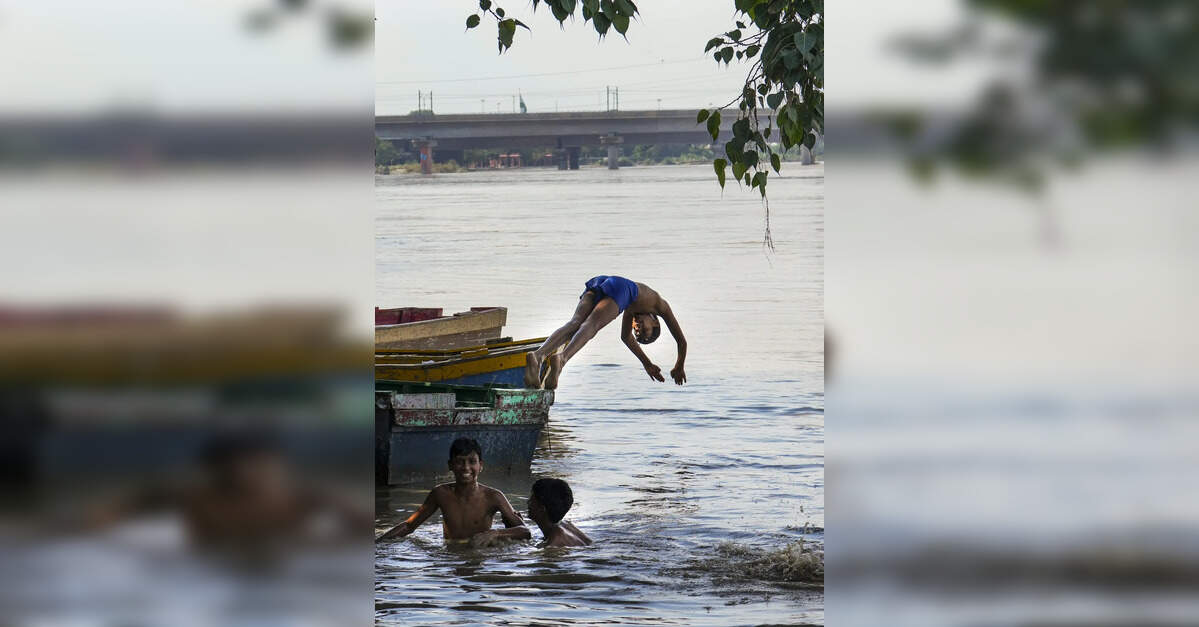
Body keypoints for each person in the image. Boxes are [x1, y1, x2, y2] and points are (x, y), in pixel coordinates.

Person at [524, 275, 687, 389]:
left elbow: (626, 337)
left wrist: (647, 364)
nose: (637, 327)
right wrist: (679, 365)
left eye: (638, 331)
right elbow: (681, 341)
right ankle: (562, 359)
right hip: (623, 287)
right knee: (592, 325)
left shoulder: (632, 309)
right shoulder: (661, 307)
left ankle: (538, 355)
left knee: (575, 323)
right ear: (655, 321)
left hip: (602, 281)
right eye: (644, 329)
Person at [375, 438, 530, 546]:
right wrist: (378, 543)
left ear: (481, 465)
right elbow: (409, 526)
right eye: (460, 462)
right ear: (450, 465)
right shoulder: (440, 493)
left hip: (479, 553)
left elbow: (525, 532)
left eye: (472, 462)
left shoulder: (494, 496)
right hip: (450, 553)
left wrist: (494, 534)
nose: (466, 468)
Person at [527, 478, 591, 547]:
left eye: (532, 500)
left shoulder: (553, 544)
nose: (528, 502)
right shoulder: (566, 525)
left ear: (542, 509)